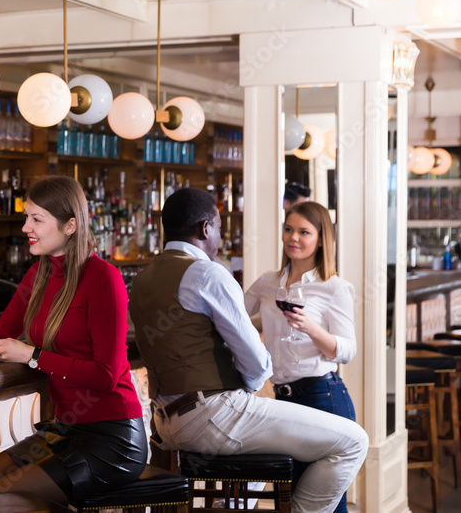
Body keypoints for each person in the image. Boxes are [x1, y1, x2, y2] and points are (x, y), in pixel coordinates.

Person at [129, 188, 367, 513]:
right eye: (218, 226)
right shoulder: (212, 274)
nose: (293, 237)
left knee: (269, 471)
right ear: (205, 228)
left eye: (304, 232)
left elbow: (208, 328)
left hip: (167, 422)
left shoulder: (143, 278)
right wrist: (246, 386)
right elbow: (255, 362)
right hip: (214, 414)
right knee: (354, 441)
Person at [0, 176, 146, 507]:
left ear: (70, 225)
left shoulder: (103, 278)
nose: (26, 226)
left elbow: (106, 375)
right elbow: (1, 329)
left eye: (36, 219)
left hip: (112, 440)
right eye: (27, 216)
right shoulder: (38, 275)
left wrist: (31, 355)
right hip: (63, 431)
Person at [245, 201, 357, 513]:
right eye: (289, 229)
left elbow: (347, 350)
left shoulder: (334, 287)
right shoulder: (268, 283)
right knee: (297, 497)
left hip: (324, 396)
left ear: (321, 239)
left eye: (304, 232)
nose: (294, 237)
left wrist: (312, 328)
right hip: (283, 399)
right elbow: (234, 318)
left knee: (326, 503)